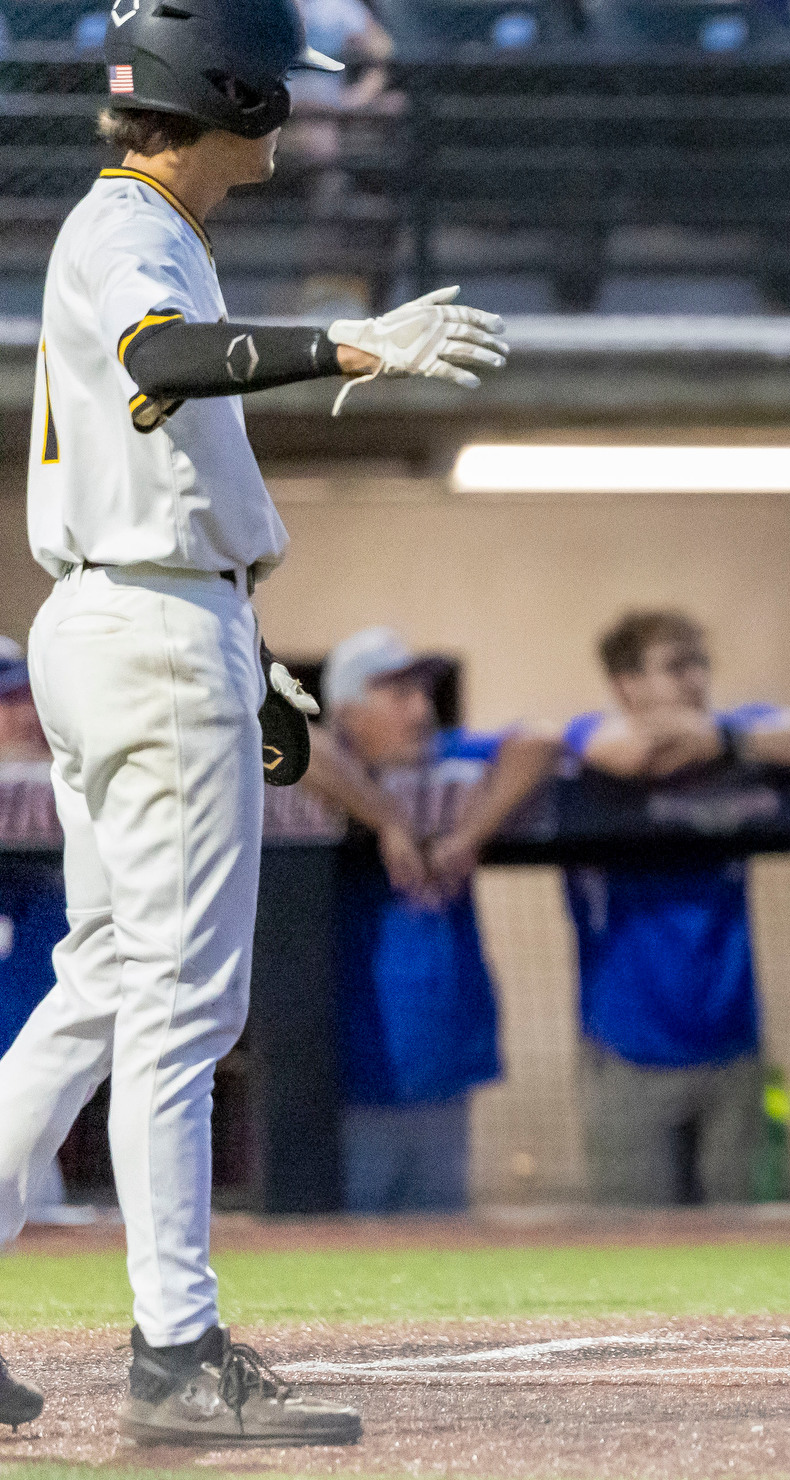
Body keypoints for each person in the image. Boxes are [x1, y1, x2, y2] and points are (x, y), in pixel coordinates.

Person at [0, 0, 503, 1444]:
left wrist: (255, 659)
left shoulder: (138, 222)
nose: (299, 109)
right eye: (279, 87)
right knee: (179, 1001)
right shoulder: (137, 226)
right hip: (149, 628)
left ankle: (161, 1340)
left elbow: (176, 468)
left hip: (145, 617)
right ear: (222, 91)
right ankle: (178, 1355)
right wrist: (353, 345)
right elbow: (165, 360)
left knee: (104, 983)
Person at [565, 609, 790, 1206]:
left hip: (732, 1041)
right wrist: (694, 742)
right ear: (628, 684)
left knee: (741, 1236)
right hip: (627, 1047)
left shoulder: (734, 731)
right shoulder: (591, 731)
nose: (696, 678)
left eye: (700, 663)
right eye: (675, 666)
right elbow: (628, 753)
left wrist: (725, 741)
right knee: (628, 1245)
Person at [301, 627, 561, 1215]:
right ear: (349, 712)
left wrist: (468, 835)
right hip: (347, 1070)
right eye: (398, 695)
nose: (422, 711)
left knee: (437, 1244)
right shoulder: (323, 770)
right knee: (347, 1251)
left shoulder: (451, 765)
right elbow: (287, 739)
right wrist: (388, 822)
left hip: (444, 1055)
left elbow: (542, 741)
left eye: (424, 693)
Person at [0, 639, 83, 1230]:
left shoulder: (79, 804)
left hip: (21, 1113)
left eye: (31, 696)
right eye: (7, 701)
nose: (26, 714)